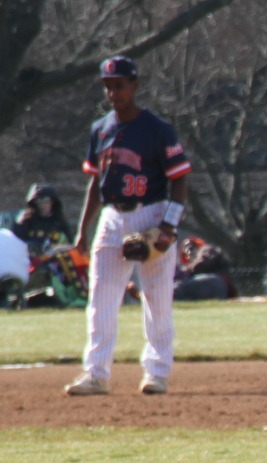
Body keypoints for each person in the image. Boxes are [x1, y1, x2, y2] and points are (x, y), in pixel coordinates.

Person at [64, 55, 192, 396]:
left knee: (157, 298)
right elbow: (95, 182)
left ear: (134, 86)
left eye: (119, 85)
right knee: (101, 298)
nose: (113, 93)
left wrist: (168, 226)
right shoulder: (100, 129)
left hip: (151, 213)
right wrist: (83, 230)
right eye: (108, 87)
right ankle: (96, 374)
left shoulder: (157, 129)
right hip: (112, 217)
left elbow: (179, 180)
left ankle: (157, 372)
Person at [12, 183, 75, 255]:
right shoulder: (28, 220)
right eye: (38, 201)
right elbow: (16, 241)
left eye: (46, 201)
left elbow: (70, 245)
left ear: (52, 202)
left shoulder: (59, 222)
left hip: (53, 261)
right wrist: (19, 223)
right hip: (30, 260)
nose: (42, 205)